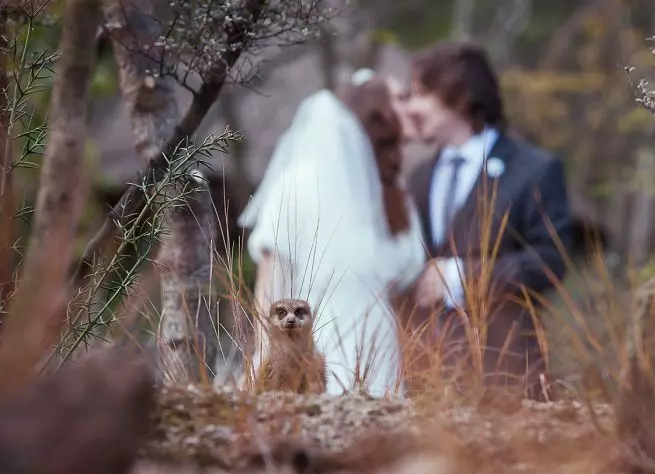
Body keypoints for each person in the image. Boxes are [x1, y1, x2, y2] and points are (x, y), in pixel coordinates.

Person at [397, 41, 575, 401]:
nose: (410, 107)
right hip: (425, 381)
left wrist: (461, 278)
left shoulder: (534, 170)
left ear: (459, 96)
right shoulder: (417, 178)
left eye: (420, 94)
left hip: (507, 375)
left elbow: (551, 261)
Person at [237, 69, 426, 397]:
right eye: (399, 98)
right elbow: (272, 279)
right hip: (318, 344)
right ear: (374, 111)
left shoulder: (396, 196)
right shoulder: (300, 182)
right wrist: (267, 355)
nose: (410, 107)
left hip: (383, 348)